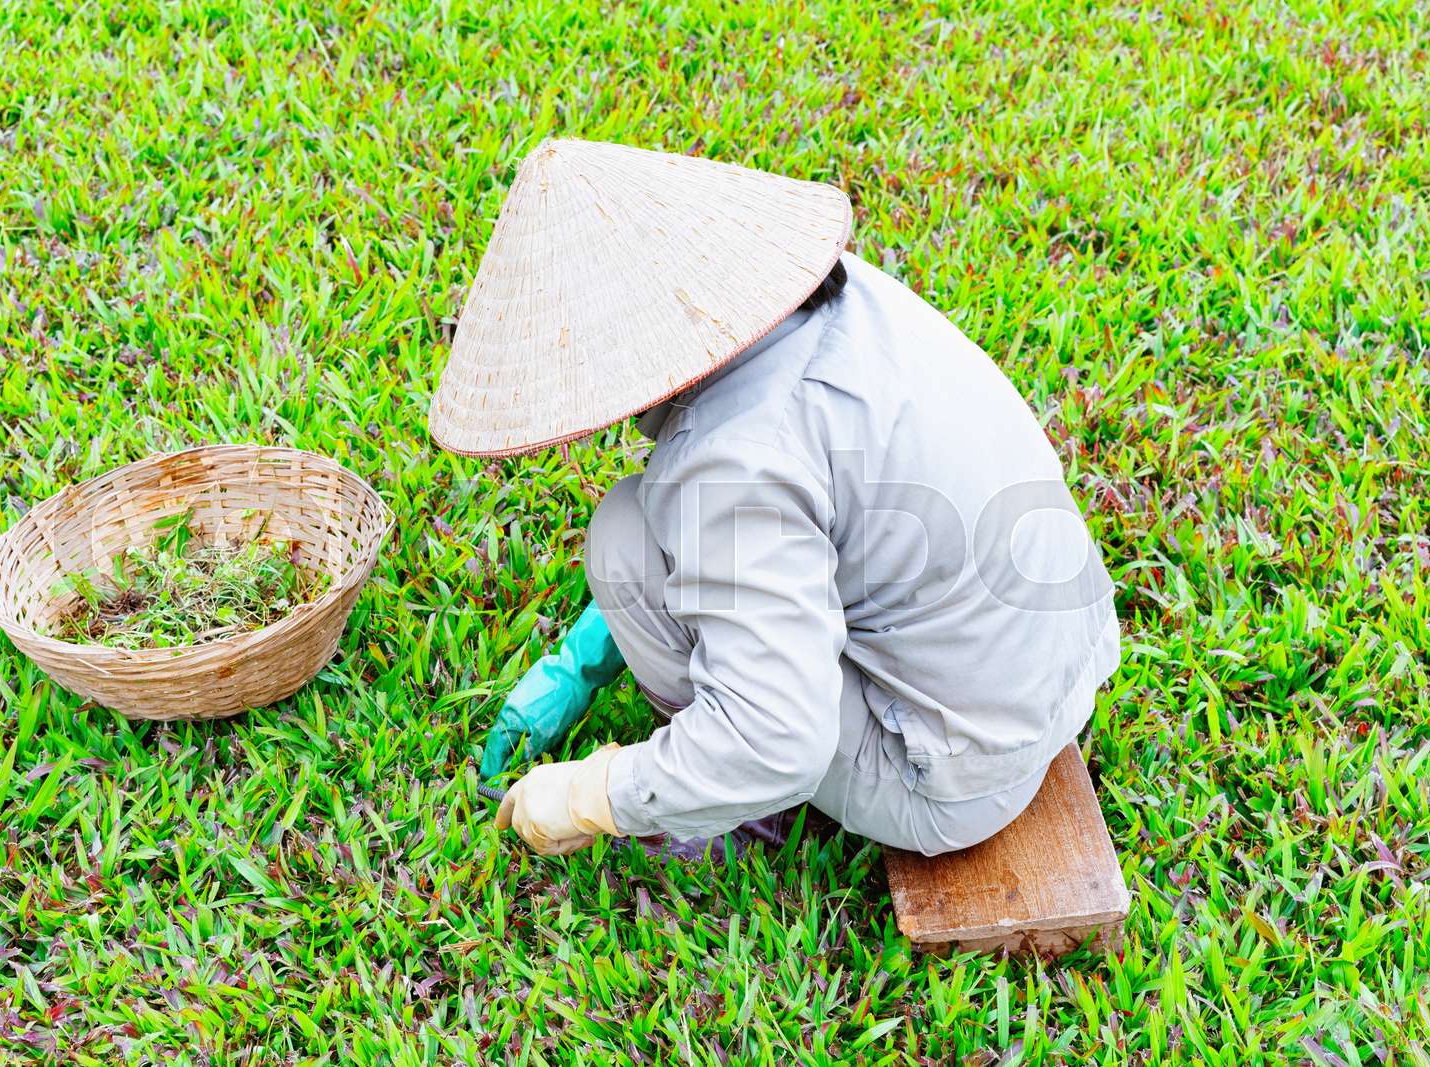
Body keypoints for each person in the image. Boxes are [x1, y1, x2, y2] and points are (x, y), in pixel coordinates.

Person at [430, 139, 1119, 857]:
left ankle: (737, 813)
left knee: (623, 541)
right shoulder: (840, 292)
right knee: (653, 532)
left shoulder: (731, 456)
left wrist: (596, 793)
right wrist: (590, 650)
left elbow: (778, 736)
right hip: (1060, 671)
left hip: (951, 778)